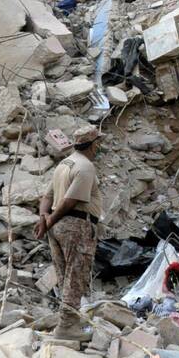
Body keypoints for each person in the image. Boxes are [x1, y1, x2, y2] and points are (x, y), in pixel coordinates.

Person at [36, 130, 103, 343]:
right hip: (76, 225)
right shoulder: (85, 167)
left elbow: (47, 197)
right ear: (92, 145)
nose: (99, 147)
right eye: (98, 143)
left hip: (58, 228)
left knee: (65, 275)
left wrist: (44, 219)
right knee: (76, 275)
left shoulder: (65, 164)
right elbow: (69, 201)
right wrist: (50, 220)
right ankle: (66, 326)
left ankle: (68, 321)